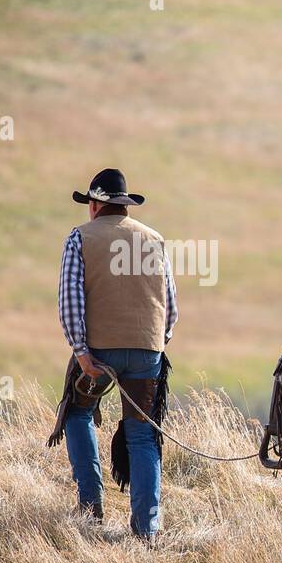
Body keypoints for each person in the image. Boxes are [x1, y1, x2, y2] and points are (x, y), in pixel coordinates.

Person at [52, 168, 177, 539]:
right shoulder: (154, 240)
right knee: (142, 436)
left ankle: (91, 508)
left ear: (94, 205)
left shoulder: (80, 237)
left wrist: (81, 351)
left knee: (77, 413)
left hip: (99, 353)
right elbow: (169, 306)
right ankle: (146, 530)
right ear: (123, 205)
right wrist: (157, 341)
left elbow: (70, 301)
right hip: (147, 350)